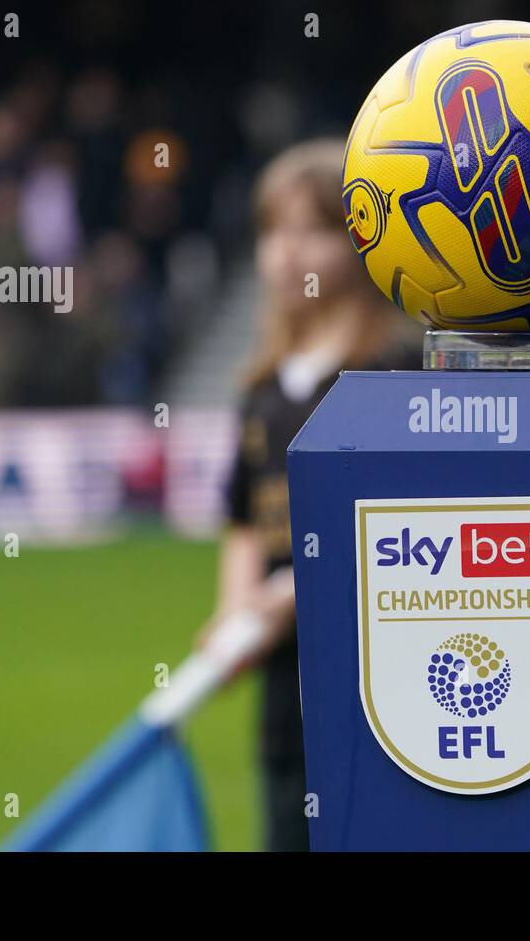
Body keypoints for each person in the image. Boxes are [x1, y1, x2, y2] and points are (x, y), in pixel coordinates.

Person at [198, 138, 417, 851]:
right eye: (273, 231)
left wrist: (290, 595)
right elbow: (242, 517)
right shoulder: (263, 386)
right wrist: (236, 609)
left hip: (378, 670)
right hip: (282, 679)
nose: (287, 254)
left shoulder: (393, 371)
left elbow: (401, 523)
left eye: (313, 230)